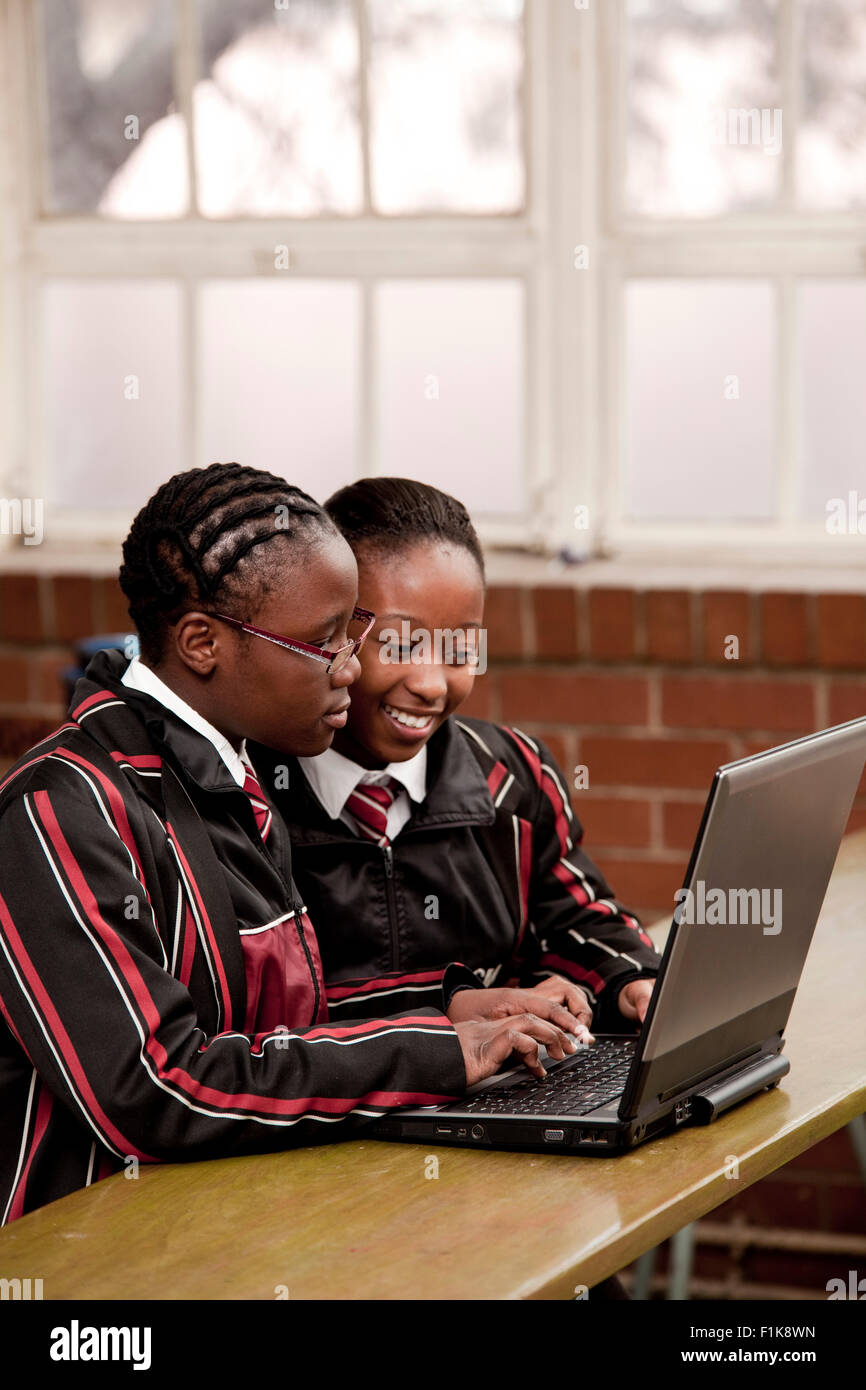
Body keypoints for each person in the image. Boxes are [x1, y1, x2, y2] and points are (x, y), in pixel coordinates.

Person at [0, 463, 583, 1223]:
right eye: (324, 643)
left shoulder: (230, 776)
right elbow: (156, 1089)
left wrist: (450, 1010)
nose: (351, 668)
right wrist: (437, 1052)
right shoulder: (61, 810)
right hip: (95, 1257)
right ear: (203, 643)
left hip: (232, 1219)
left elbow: (267, 1033)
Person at [250, 477, 663, 1043]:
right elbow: (261, 1014)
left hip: (502, 1104)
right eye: (399, 645)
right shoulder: (248, 792)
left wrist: (625, 979)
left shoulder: (512, 777)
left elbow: (578, 919)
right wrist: (454, 1011)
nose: (431, 684)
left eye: (461, 648)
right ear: (330, 631)